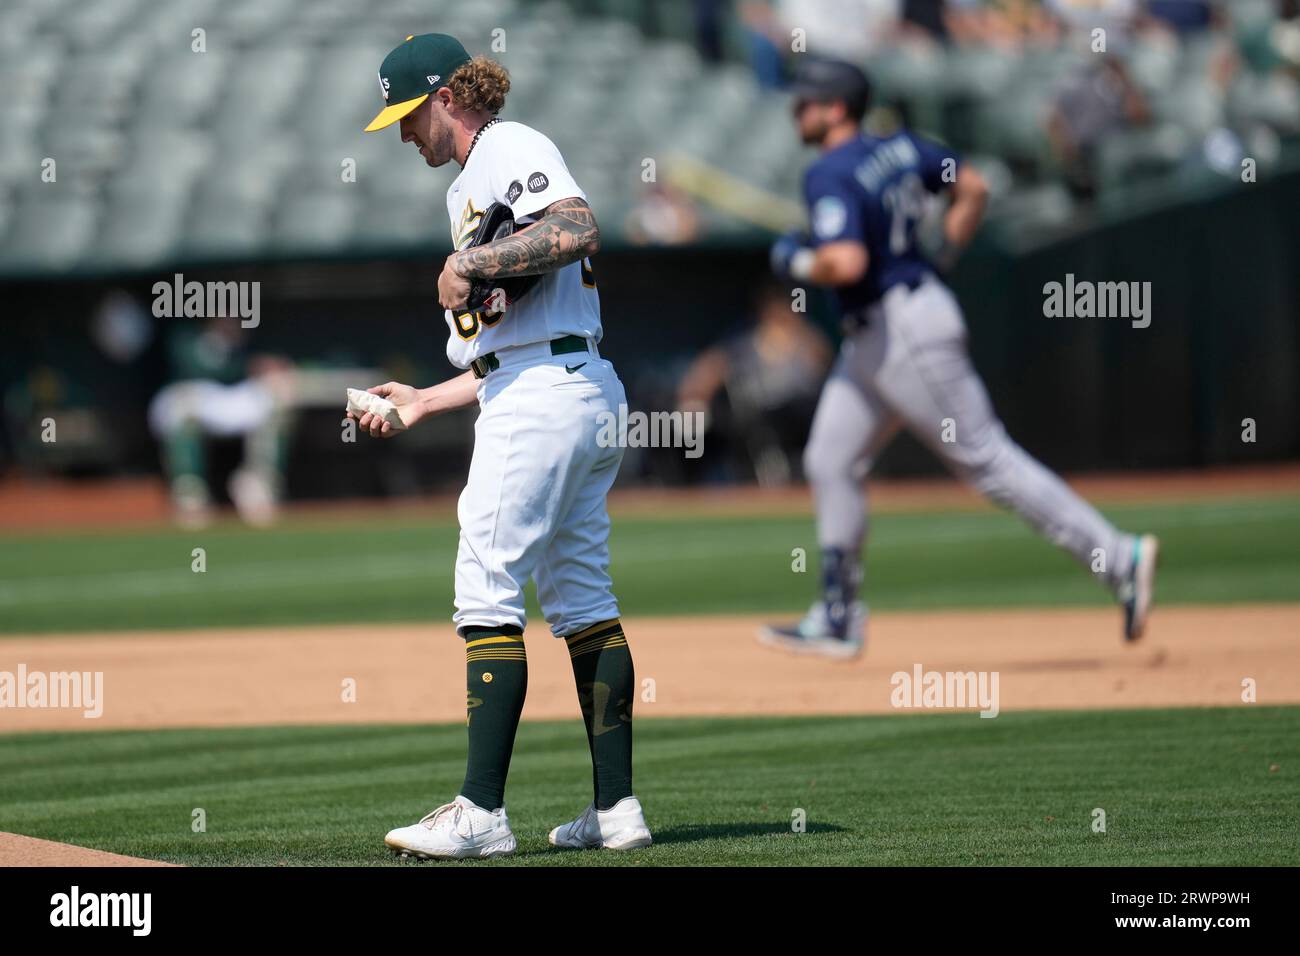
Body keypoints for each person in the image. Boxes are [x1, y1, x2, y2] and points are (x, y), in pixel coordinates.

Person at [353, 34, 650, 859]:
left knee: (486, 586)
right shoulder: (472, 179)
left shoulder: (508, 146)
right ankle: (616, 809)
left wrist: (469, 258)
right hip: (569, 384)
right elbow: (511, 348)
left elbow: (578, 228)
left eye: (409, 114)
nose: (405, 133)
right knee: (584, 600)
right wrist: (424, 400)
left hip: (548, 398)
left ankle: (481, 813)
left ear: (448, 95)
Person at [761, 58, 1159, 659]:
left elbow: (846, 265)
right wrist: (945, 251)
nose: (799, 112)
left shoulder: (829, 172)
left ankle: (1117, 557)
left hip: (900, 330)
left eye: (808, 103)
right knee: (829, 458)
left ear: (837, 107)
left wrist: (793, 260)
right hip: (891, 324)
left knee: (987, 459)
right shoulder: (903, 146)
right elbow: (974, 186)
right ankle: (840, 616)